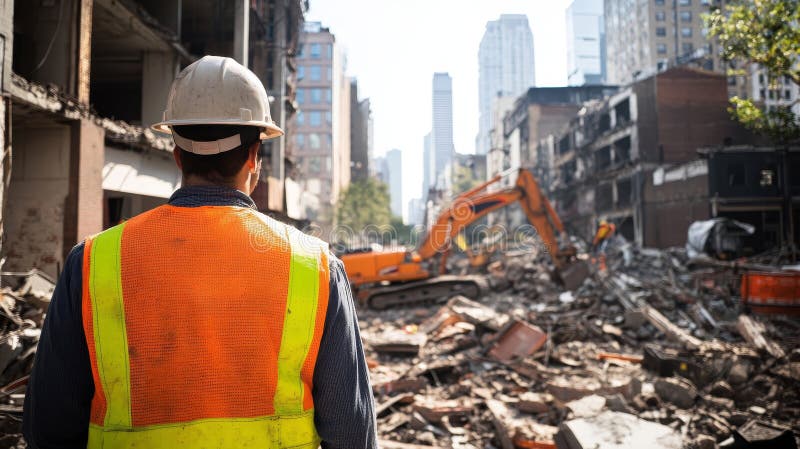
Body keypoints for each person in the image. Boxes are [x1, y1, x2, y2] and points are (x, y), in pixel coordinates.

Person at [23, 56, 377, 449]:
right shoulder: (317, 267)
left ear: (177, 154)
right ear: (254, 157)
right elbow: (352, 434)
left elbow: (48, 429)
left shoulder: (91, 263)